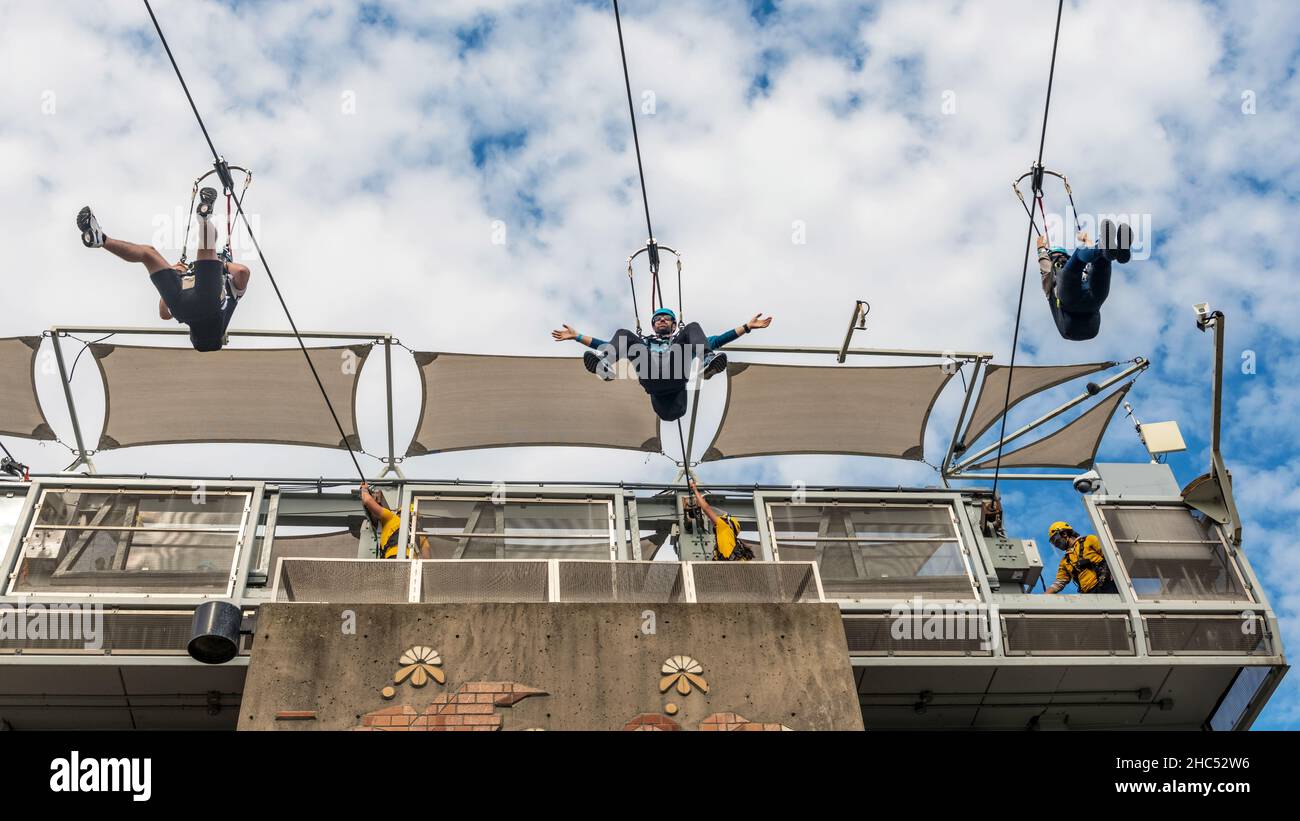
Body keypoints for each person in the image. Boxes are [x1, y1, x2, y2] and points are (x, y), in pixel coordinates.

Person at [76, 187, 250, 352]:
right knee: (148, 254)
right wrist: (218, 266)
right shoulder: (232, 291)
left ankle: (204, 219)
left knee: (205, 248)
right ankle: (101, 240)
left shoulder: (231, 292)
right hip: (182, 308)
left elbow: (242, 271)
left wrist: (183, 272)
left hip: (207, 303)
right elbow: (165, 313)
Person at [551, 308, 772, 421]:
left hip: (675, 375)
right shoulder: (643, 343)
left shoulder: (682, 338)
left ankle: (707, 361)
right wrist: (577, 336)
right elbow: (605, 343)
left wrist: (747, 326)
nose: (662, 320)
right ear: (654, 326)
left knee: (694, 328)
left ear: (674, 324)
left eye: (666, 318)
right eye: (658, 319)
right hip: (650, 375)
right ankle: (604, 364)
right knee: (624, 335)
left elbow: (719, 339)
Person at [1039, 218, 1132, 341]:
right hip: (1080, 304)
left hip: (1091, 303)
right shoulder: (1054, 277)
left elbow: (1090, 261)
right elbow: (1046, 268)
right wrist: (1040, 248)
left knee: (1100, 262)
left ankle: (1111, 251)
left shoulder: (1060, 278)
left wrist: (1041, 248)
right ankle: (1103, 248)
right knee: (1083, 258)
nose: (1062, 259)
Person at [359, 482, 431, 560]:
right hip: (411, 563)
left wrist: (364, 489)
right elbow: (426, 556)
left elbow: (367, 500)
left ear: (399, 513)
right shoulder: (419, 533)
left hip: (393, 559)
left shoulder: (391, 517)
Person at [688, 478, 753, 561]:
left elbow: (706, 509)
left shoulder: (725, 528)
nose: (718, 520)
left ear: (728, 523)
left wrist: (695, 490)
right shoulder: (731, 542)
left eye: (722, 519)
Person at [1044, 521, 1118, 594]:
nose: (1056, 544)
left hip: (1107, 586)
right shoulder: (1065, 561)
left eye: (1056, 540)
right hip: (1090, 595)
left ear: (1064, 534)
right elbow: (1059, 583)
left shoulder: (1089, 540)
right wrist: (1044, 596)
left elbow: (1110, 555)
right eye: (1053, 542)